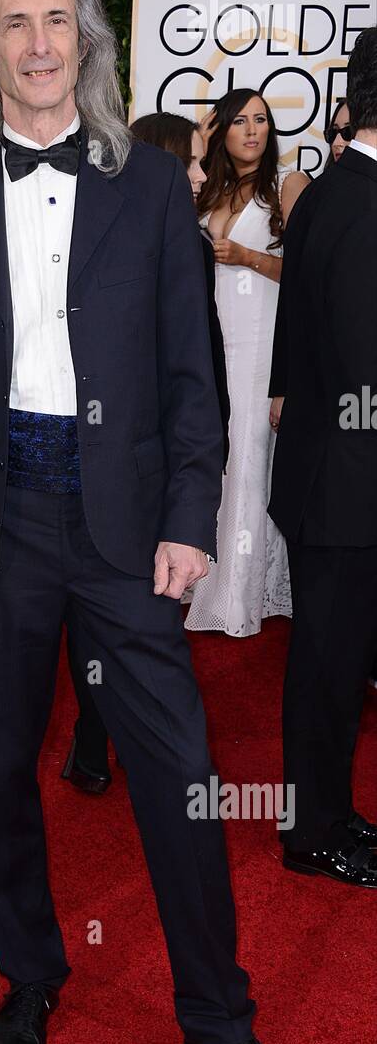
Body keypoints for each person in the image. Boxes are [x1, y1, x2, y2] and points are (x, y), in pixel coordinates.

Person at [0, 0, 302, 1044]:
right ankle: (29, 972)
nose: (38, 44)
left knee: (180, 772)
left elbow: (196, 375)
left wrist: (191, 519)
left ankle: (219, 1020)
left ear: (85, 40)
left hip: (128, 527)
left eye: (57, 22)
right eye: (15, 24)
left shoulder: (144, 186)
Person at [62, 111, 231, 797]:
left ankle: (93, 741)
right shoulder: (178, 239)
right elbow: (195, 365)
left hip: (144, 462)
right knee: (136, 628)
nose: (199, 176)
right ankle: (107, 741)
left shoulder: (172, 234)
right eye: (189, 162)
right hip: (147, 468)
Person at [267, 26, 377, 887]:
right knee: (329, 666)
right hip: (346, 486)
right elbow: (358, 364)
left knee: (332, 662)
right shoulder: (362, 204)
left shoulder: (335, 191)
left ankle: (328, 813)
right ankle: (312, 831)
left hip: (329, 478)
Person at [184, 90, 308, 637]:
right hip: (214, 346)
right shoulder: (205, 188)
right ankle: (203, 569)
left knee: (253, 458)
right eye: (239, 122)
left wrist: (250, 258)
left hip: (264, 343)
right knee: (219, 453)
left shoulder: (289, 186)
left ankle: (241, 592)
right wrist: (199, 147)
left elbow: (309, 272)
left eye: (261, 120)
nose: (253, 131)